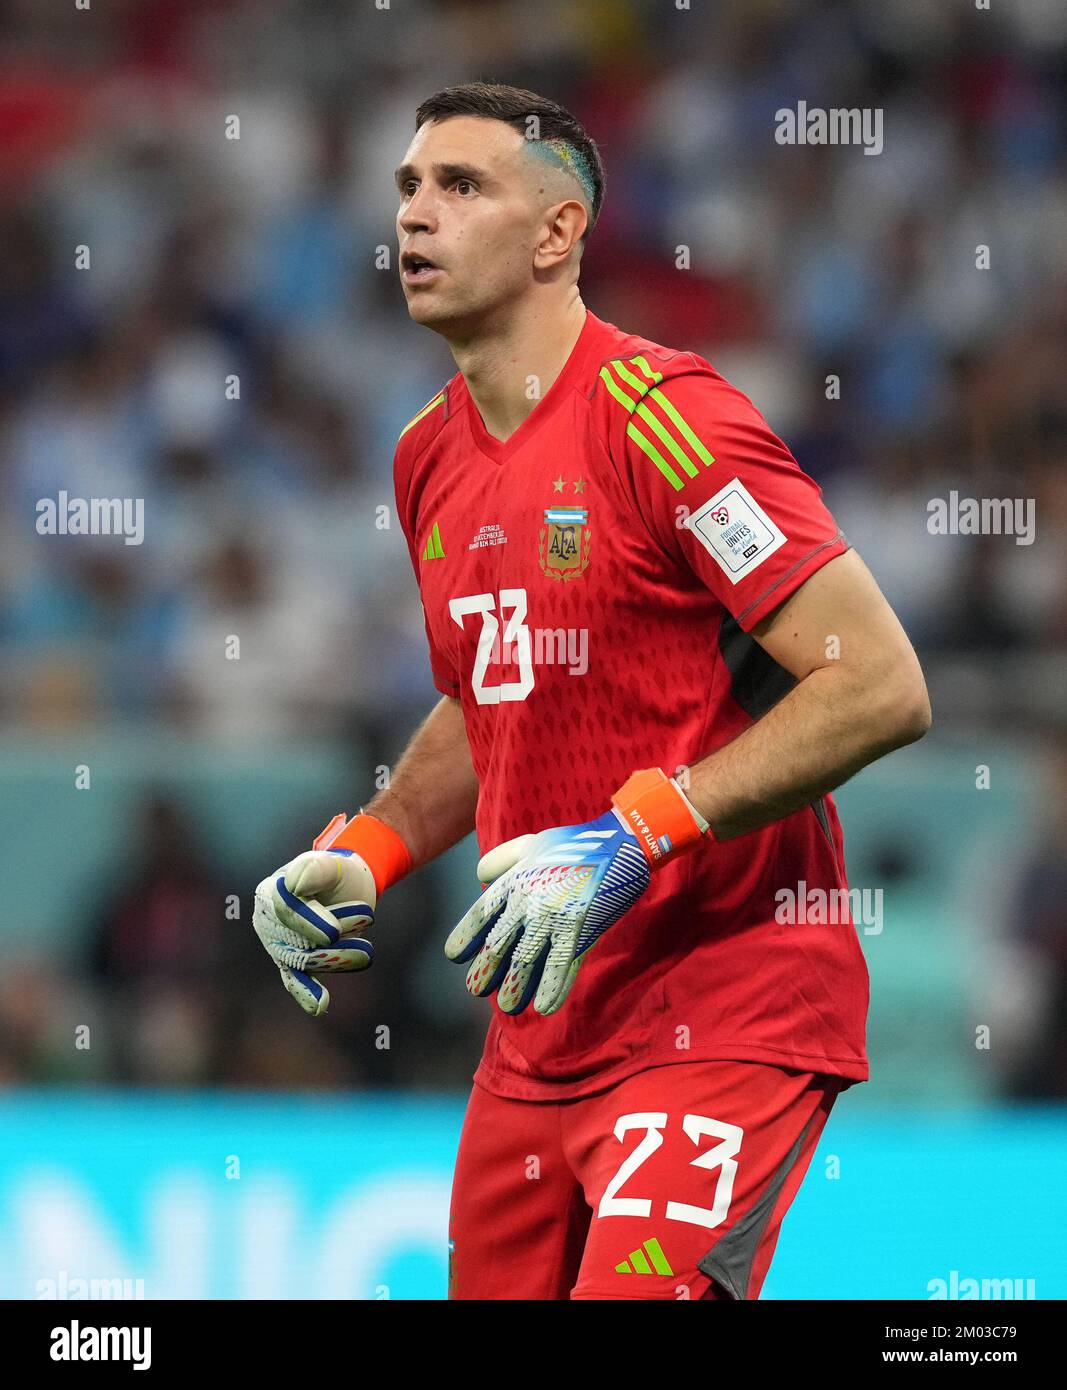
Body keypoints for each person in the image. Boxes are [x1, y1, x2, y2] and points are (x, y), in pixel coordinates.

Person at [253, 82, 931, 1301]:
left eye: (460, 187)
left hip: (723, 1004)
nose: (414, 214)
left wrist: (638, 833)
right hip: (536, 1041)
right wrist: (369, 846)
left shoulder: (665, 421)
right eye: (408, 187)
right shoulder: (424, 458)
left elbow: (876, 681)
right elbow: (485, 696)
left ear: (556, 234)